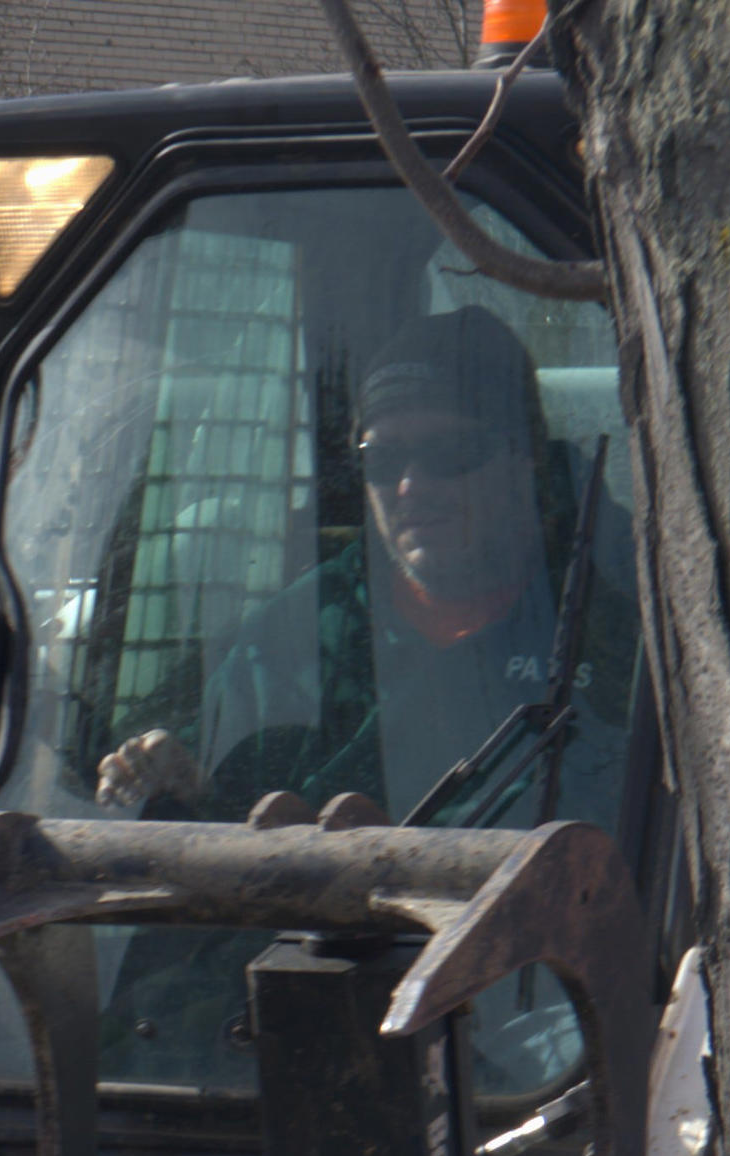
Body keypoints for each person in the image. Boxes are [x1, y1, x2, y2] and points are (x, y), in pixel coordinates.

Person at [95, 305, 633, 832]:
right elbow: (224, 793)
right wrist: (183, 781)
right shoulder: (302, 629)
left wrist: (392, 856)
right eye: (383, 460)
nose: (411, 486)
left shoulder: (619, 612)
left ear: (525, 456)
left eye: (450, 453)